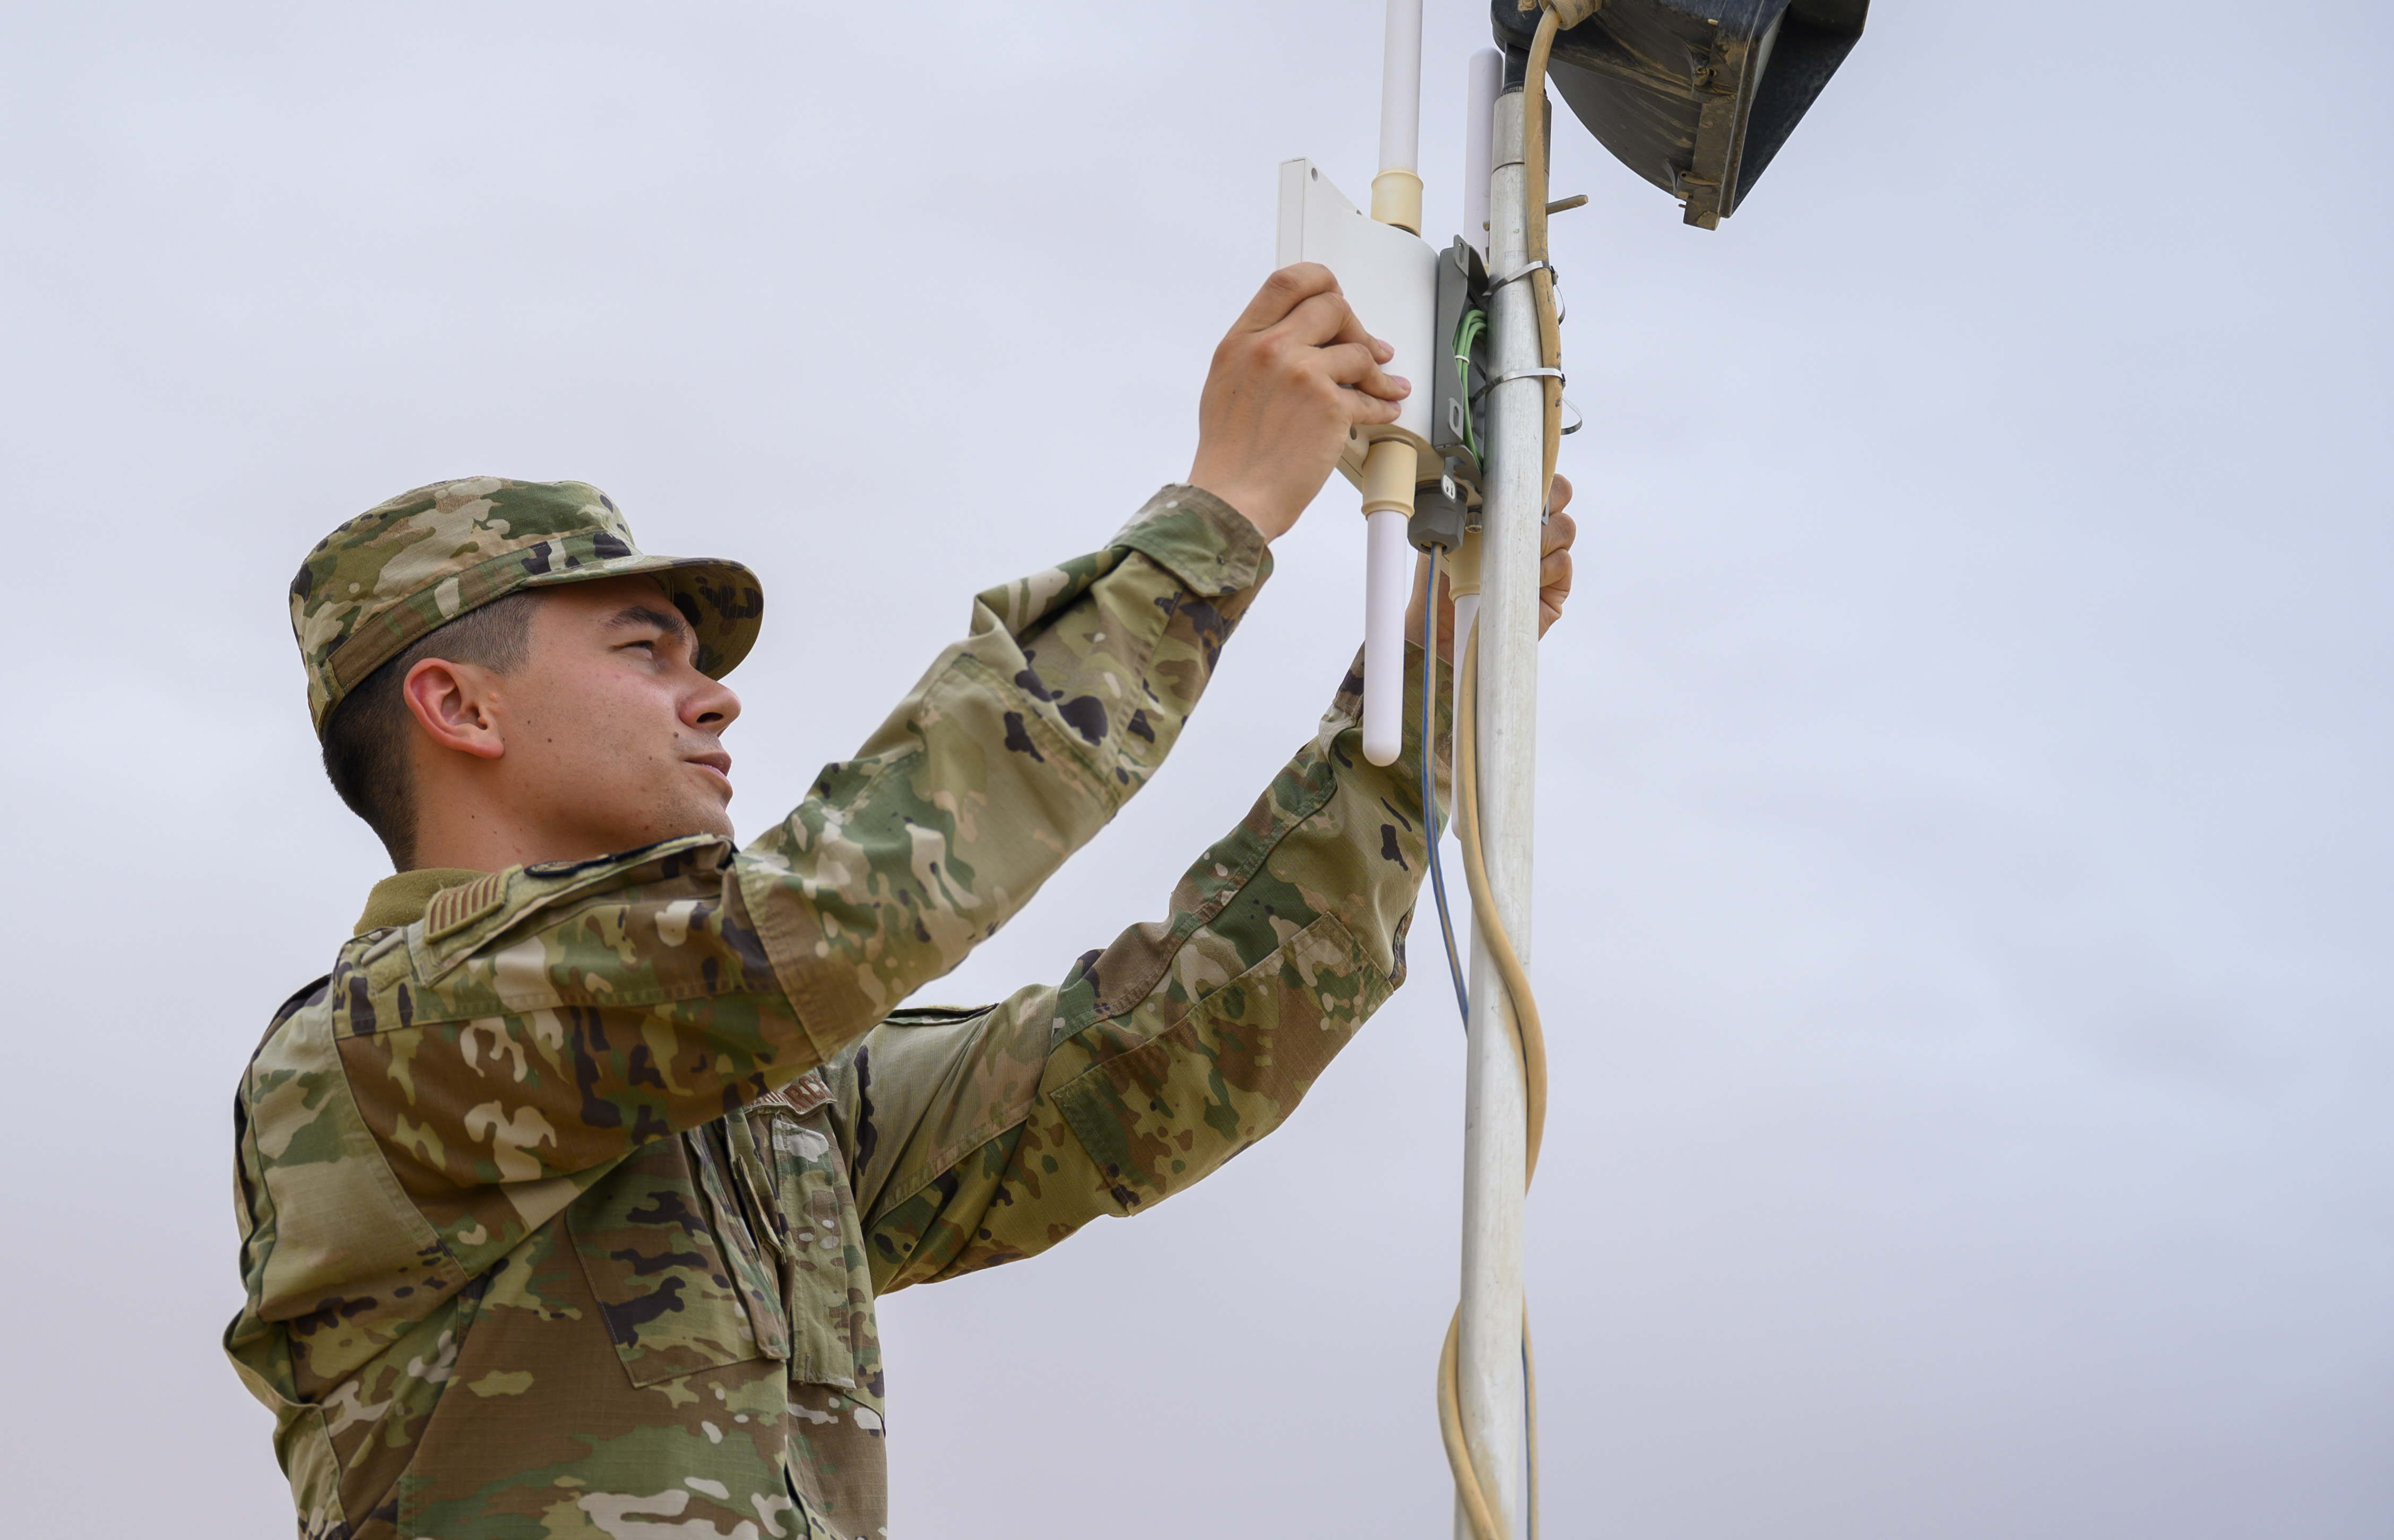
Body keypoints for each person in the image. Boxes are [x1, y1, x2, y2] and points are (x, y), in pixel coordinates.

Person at [226, 264, 1577, 1540]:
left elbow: (1146, 1064)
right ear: (459, 704)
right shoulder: (385, 1044)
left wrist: (1426, 695)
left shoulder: (746, 1091)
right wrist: (1217, 517)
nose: (714, 693)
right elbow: (829, 916)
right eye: (646, 650)